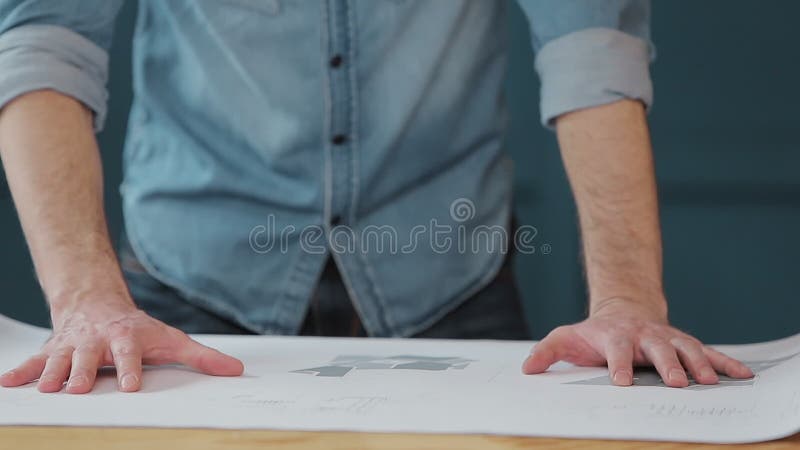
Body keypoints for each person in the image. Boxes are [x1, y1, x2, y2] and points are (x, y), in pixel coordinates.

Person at [0, 0, 753, 395]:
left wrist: (627, 300)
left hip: (452, 283)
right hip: (186, 290)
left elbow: (591, 50)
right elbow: (46, 45)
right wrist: (85, 301)